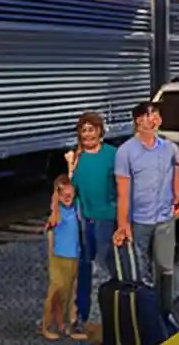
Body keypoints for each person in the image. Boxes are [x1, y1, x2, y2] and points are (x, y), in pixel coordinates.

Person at [46, 112, 118, 340]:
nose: (87, 134)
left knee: (106, 266)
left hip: (106, 217)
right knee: (84, 268)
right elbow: (65, 189)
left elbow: (122, 184)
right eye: (83, 130)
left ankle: (109, 314)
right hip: (83, 219)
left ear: (100, 131)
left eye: (91, 129)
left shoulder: (112, 154)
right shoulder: (76, 157)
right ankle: (82, 317)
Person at [113, 102, 179, 309]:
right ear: (138, 120)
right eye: (148, 115)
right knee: (140, 269)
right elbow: (123, 191)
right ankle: (145, 314)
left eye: (156, 114)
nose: (153, 119)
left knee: (165, 268)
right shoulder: (125, 151)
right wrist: (123, 223)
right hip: (139, 220)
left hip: (164, 218)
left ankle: (165, 312)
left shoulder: (169, 148)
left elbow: (178, 170)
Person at [42, 175, 82, 341]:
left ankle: (65, 325)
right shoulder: (56, 213)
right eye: (64, 195)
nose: (68, 198)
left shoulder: (76, 208)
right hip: (59, 257)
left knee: (70, 293)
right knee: (56, 291)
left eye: (70, 195)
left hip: (74, 256)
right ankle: (46, 325)